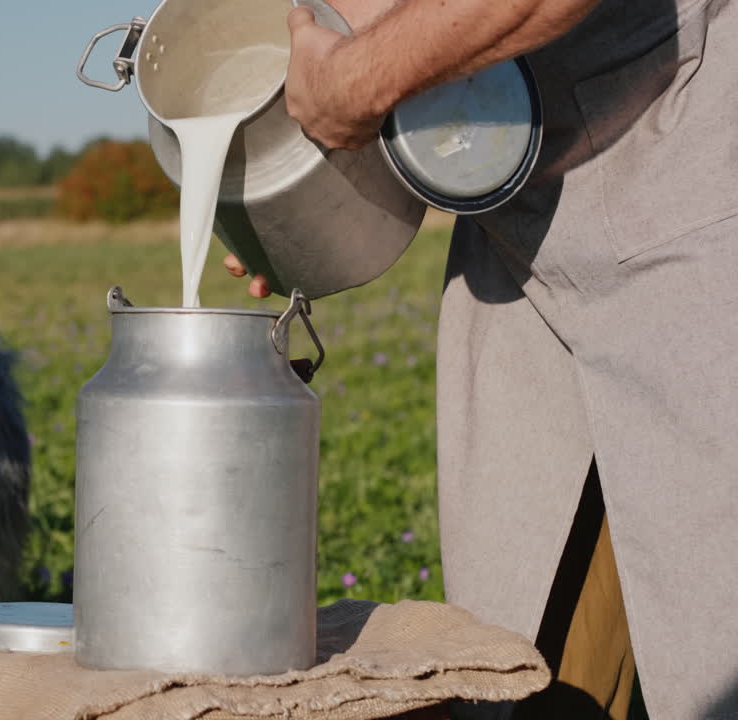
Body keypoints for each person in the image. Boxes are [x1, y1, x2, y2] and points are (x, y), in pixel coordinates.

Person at [224, 0, 738, 717]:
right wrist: (311, 190)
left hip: (691, 161)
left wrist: (357, 80)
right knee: (515, 652)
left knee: (714, 633)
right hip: (518, 200)